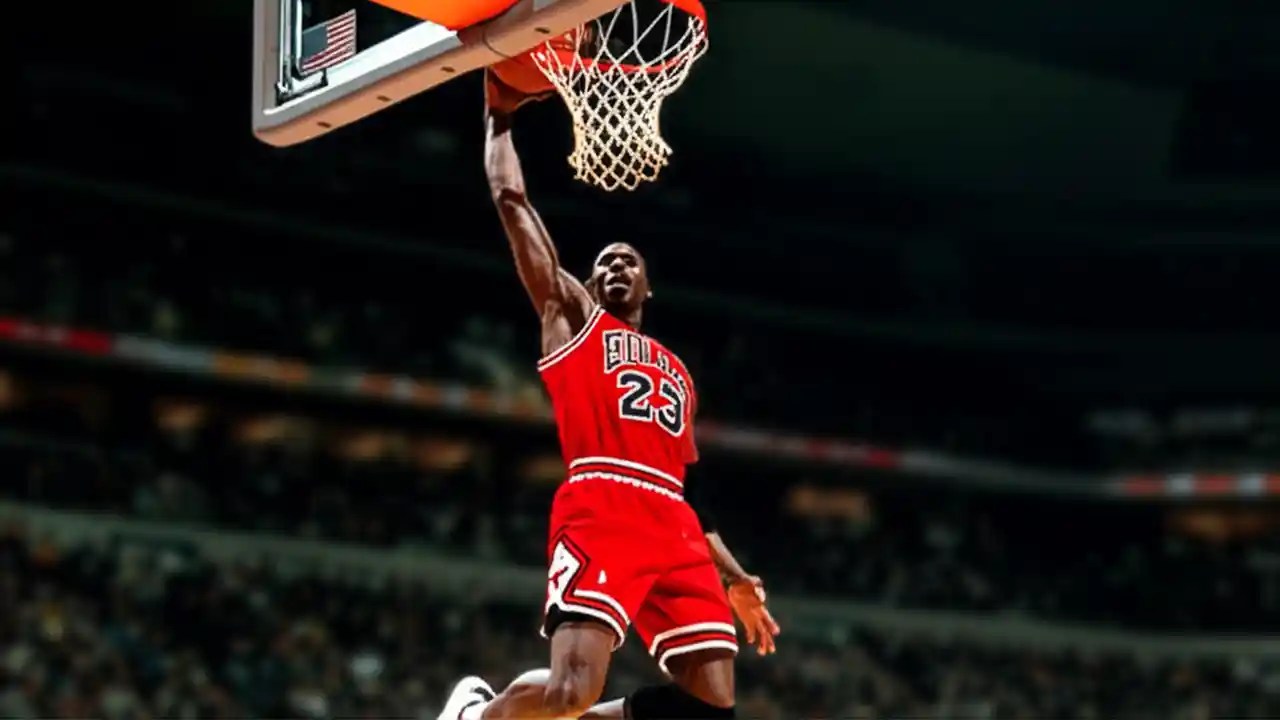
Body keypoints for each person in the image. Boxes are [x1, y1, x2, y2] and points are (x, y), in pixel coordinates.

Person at [435, 70, 780, 720]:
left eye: (630, 260)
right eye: (605, 262)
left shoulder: (678, 370)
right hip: (603, 503)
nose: (616, 265)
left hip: (674, 525)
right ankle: (476, 715)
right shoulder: (574, 320)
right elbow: (513, 202)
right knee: (572, 690)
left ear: (649, 287)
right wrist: (499, 118)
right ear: (589, 283)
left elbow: (689, 491)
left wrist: (736, 578)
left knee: (712, 710)